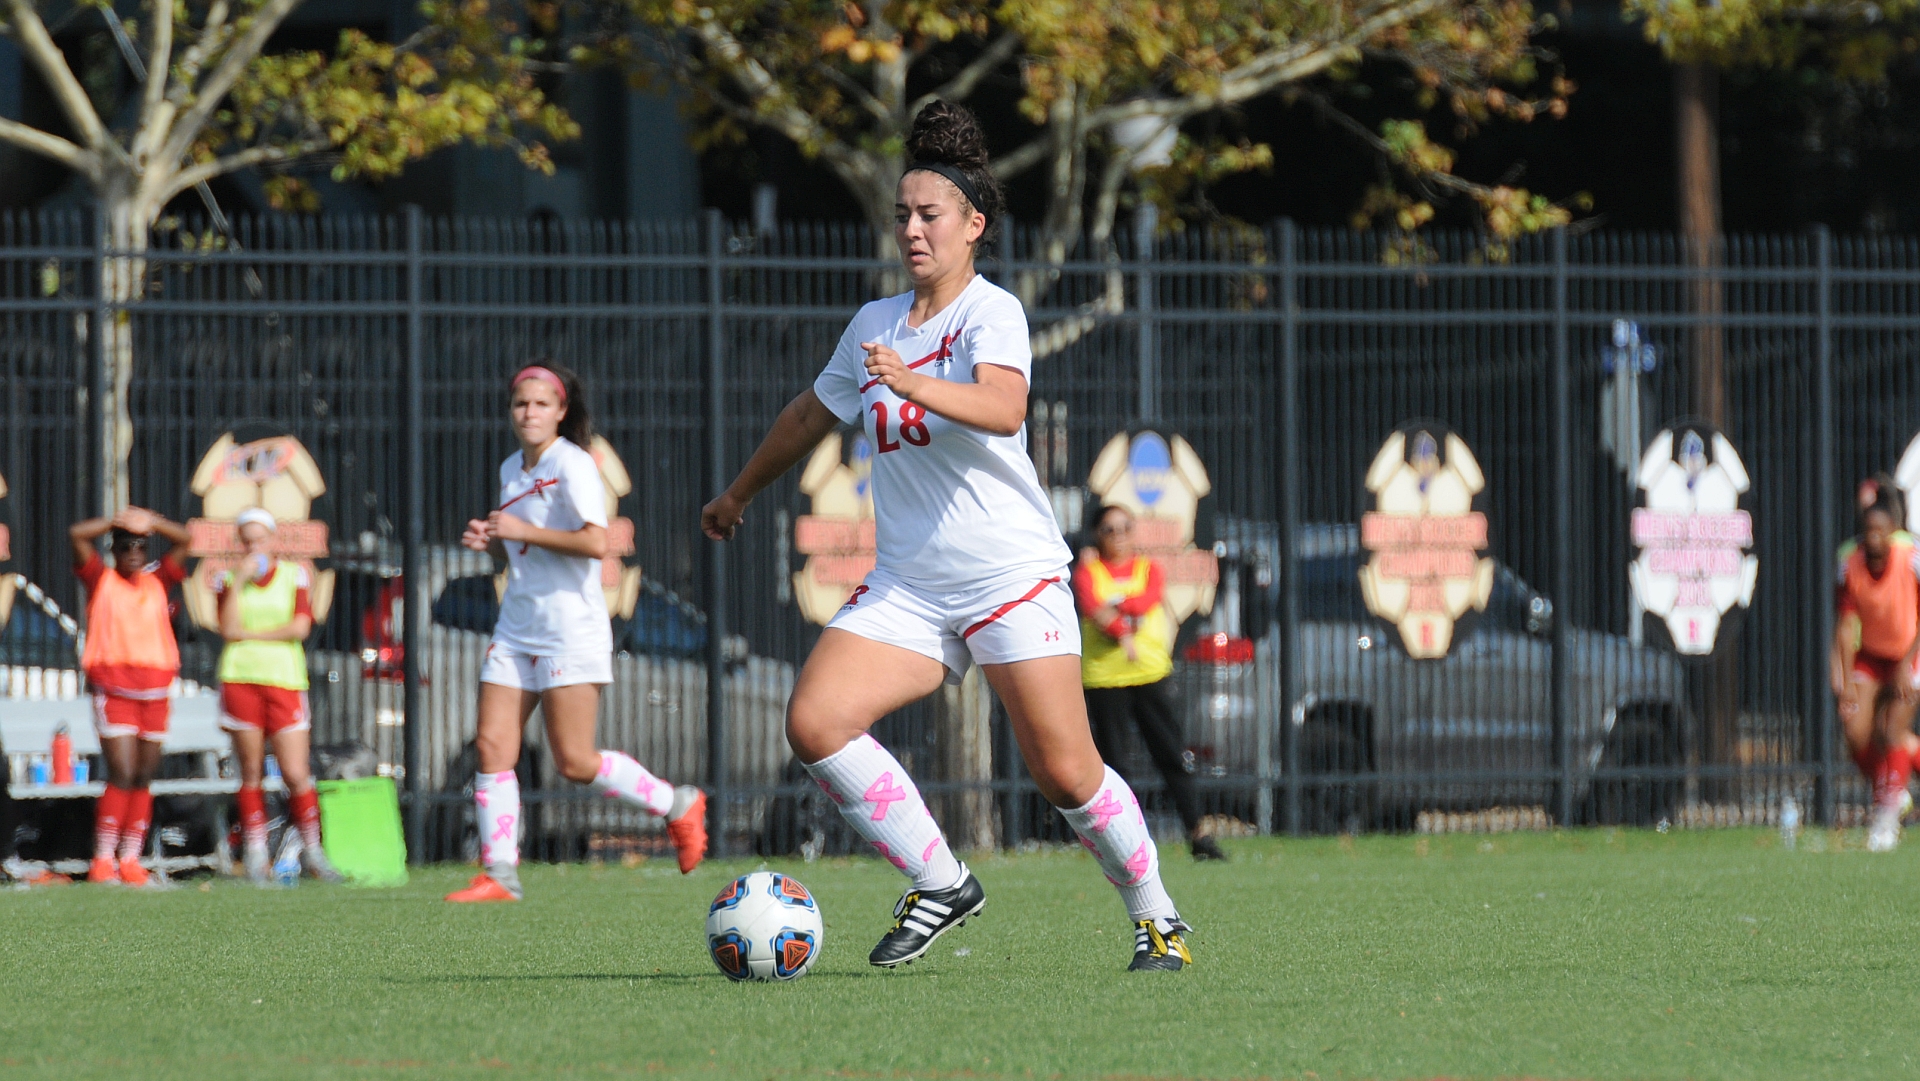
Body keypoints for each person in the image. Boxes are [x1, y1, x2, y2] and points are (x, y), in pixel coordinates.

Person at [702, 101, 1194, 972]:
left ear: (974, 225)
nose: (913, 230)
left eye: (930, 215)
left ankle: (1157, 916)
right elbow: (808, 415)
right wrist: (739, 492)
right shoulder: (873, 325)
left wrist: (914, 381)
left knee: (1065, 773)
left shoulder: (989, 312)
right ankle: (940, 877)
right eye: (903, 215)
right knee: (815, 721)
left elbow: (1005, 406)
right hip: (911, 585)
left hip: (1010, 576)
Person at [446, 362, 707, 903]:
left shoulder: (575, 464)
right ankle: (500, 872)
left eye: (541, 404)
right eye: (521, 404)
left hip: (570, 629)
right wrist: (493, 541)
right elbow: (522, 547)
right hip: (517, 625)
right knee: (493, 745)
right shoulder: (510, 468)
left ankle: (676, 802)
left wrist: (523, 530)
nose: (530, 413)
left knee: (575, 761)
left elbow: (595, 542)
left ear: (561, 411)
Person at [1074, 504, 1225, 862]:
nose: (1119, 536)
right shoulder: (1089, 572)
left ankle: (1198, 834)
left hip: (1149, 674)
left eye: (1125, 527)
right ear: (1098, 535)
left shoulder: (1146, 569)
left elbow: (1147, 599)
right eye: (1110, 530)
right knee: (1115, 765)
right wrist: (1122, 627)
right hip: (1105, 678)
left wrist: (1119, 607)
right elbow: (1094, 609)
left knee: (1171, 755)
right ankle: (1125, 843)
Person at [215, 507, 343, 883]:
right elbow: (227, 626)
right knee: (250, 770)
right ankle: (256, 853)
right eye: (247, 540)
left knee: (295, 771)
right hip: (241, 678)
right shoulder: (227, 578)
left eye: (260, 539)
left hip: (284, 680)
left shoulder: (294, 575)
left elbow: (301, 625)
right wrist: (238, 582)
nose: (254, 546)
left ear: (272, 539)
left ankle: (314, 851)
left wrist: (252, 634)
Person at [71, 506, 192, 886]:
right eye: (126, 547)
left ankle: (131, 858)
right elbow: (76, 534)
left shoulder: (159, 581)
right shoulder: (100, 580)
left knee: (143, 774)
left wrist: (153, 521)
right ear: (114, 551)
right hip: (115, 689)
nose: (134, 553)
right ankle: (103, 857)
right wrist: (115, 521)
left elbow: (187, 539)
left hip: (155, 691)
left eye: (141, 547)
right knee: (121, 771)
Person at [1831, 474, 1920, 851]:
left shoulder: (1910, 556)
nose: (1874, 538)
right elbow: (1846, 622)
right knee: (1855, 728)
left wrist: (1908, 661)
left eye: (1881, 531)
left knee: (1892, 731)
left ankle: (1886, 817)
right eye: (1868, 531)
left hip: (1909, 653)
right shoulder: (1849, 562)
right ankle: (1895, 787)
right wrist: (1845, 679)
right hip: (1871, 654)